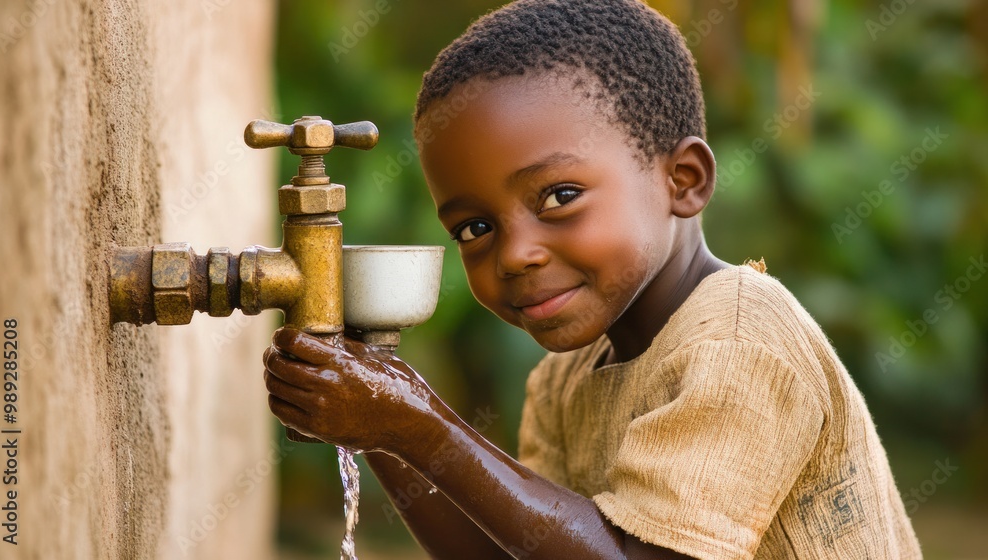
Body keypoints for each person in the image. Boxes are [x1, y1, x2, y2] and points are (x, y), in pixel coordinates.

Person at [262, 0, 923, 557]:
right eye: (474, 229)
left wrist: (421, 425)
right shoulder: (566, 376)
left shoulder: (739, 341)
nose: (515, 254)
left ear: (682, 180)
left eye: (560, 196)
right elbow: (509, 550)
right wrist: (380, 427)